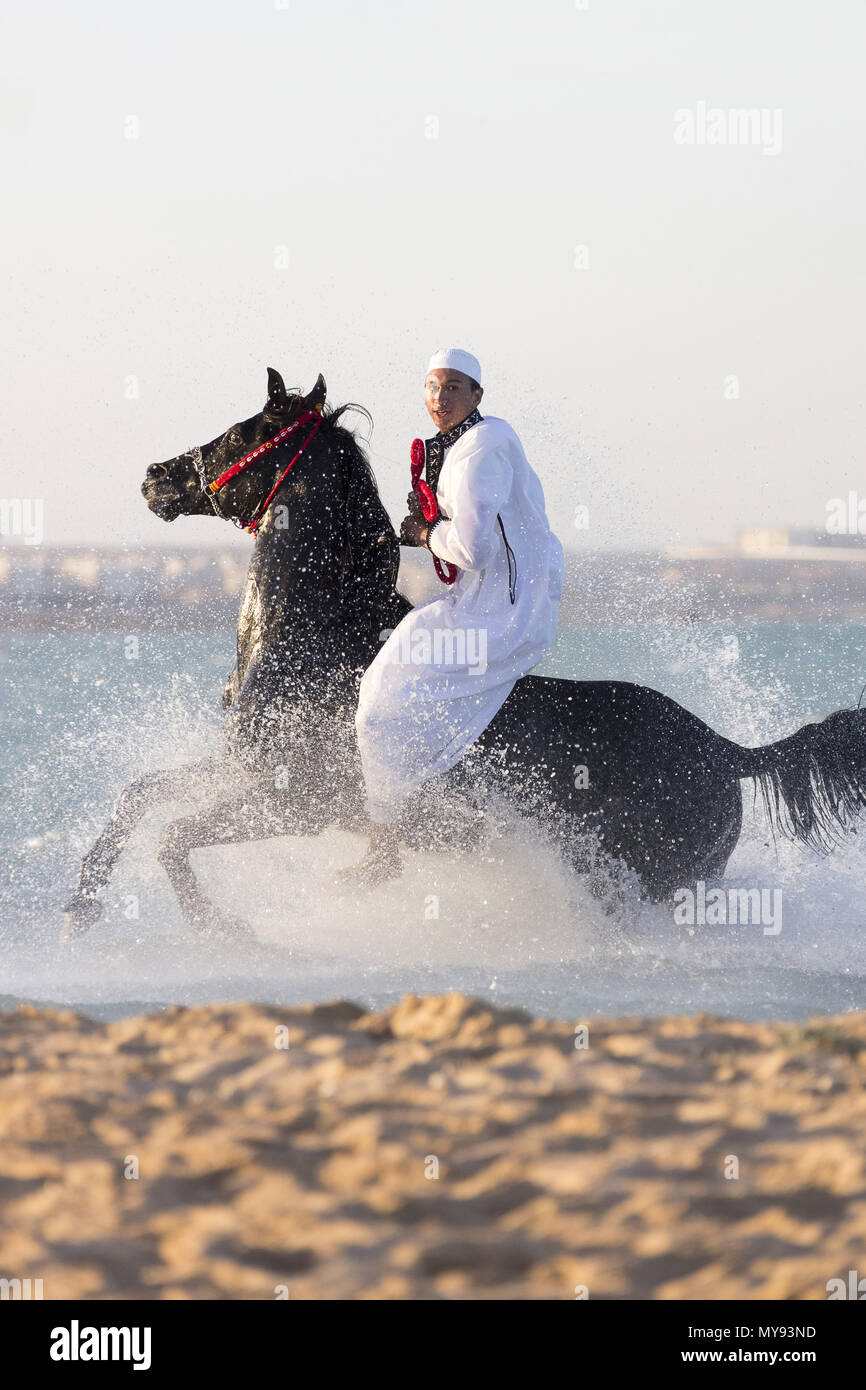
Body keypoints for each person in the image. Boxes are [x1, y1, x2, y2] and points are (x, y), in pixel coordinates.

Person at [339, 347, 564, 887]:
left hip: (499, 617)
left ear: (477, 395)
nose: (440, 398)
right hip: (491, 603)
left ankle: (384, 846)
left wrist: (420, 534)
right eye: (432, 387)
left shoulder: (481, 451)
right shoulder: (475, 442)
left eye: (454, 388)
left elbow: (473, 549)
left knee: (375, 709)